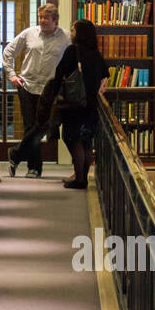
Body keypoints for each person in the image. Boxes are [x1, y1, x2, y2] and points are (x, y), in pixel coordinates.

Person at [3, 3, 69, 177]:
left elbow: (74, 60)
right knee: (30, 126)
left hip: (50, 89)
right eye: (40, 17)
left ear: (55, 20)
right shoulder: (29, 33)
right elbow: (8, 52)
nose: (42, 21)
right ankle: (34, 168)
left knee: (41, 128)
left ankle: (15, 154)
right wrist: (12, 74)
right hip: (27, 85)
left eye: (46, 18)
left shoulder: (65, 38)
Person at [51, 19, 109, 189]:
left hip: (73, 104)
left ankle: (80, 179)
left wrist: (54, 95)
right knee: (86, 141)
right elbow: (105, 73)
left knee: (72, 139)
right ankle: (82, 177)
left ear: (80, 33)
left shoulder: (72, 51)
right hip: (91, 105)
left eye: (73, 30)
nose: (71, 33)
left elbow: (59, 72)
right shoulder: (96, 53)